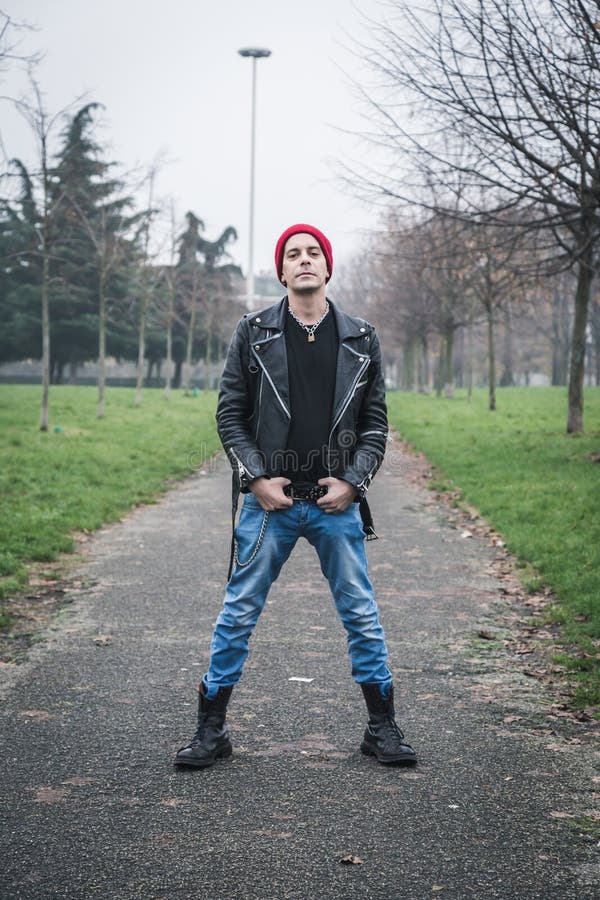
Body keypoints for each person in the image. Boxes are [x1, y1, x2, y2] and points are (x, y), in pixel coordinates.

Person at [174, 224, 417, 769]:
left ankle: (382, 729)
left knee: (361, 612)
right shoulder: (253, 332)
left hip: (336, 503)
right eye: (293, 255)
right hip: (270, 505)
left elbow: (376, 425)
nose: (304, 261)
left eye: (313, 254)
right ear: (281, 271)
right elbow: (229, 415)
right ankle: (210, 732)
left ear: (328, 268)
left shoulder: (361, 337)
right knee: (238, 613)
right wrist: (255, 479)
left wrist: (354, 481)